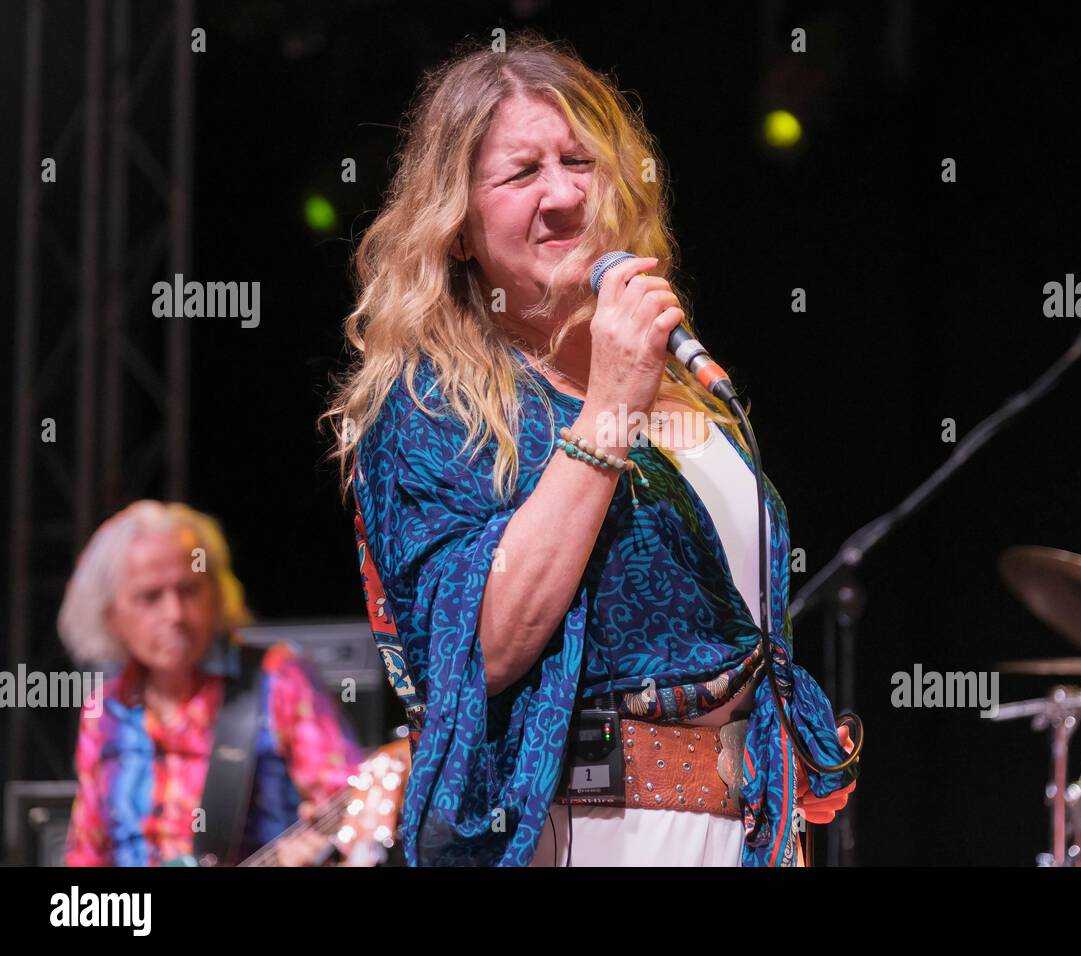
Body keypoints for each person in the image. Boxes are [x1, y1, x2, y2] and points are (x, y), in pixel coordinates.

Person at [326, 31, 857, 867]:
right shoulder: (433, 408)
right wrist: (607, 411)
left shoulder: (678, 392)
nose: (563, 195)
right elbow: (481, 650)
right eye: (522, 172)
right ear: (457, 226)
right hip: (590, 835)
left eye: (581, 161)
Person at [59, 500, 365, 866]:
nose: (174, 614)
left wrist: (321, 851)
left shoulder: (277, 678)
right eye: (150, 597)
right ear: (110, 616)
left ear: (218, 592)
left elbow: (351, 806)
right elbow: (86, 853)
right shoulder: (104, 709)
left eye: (189, 590)